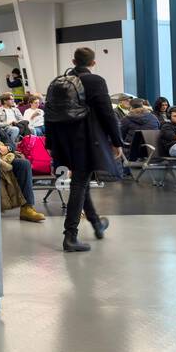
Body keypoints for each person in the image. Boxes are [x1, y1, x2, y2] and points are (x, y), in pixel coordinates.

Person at [44, 47, 125, 251]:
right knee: (80, 183)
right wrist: (117, 141)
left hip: (63, 140)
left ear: (73, 61)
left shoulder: (57, 82)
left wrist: (51, 144)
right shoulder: (95, 81)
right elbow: (107, 113)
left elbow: (49, 113)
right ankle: (70, 236)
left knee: (82, 181)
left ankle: (97, 223)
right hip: (86, 139)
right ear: (93, 63)